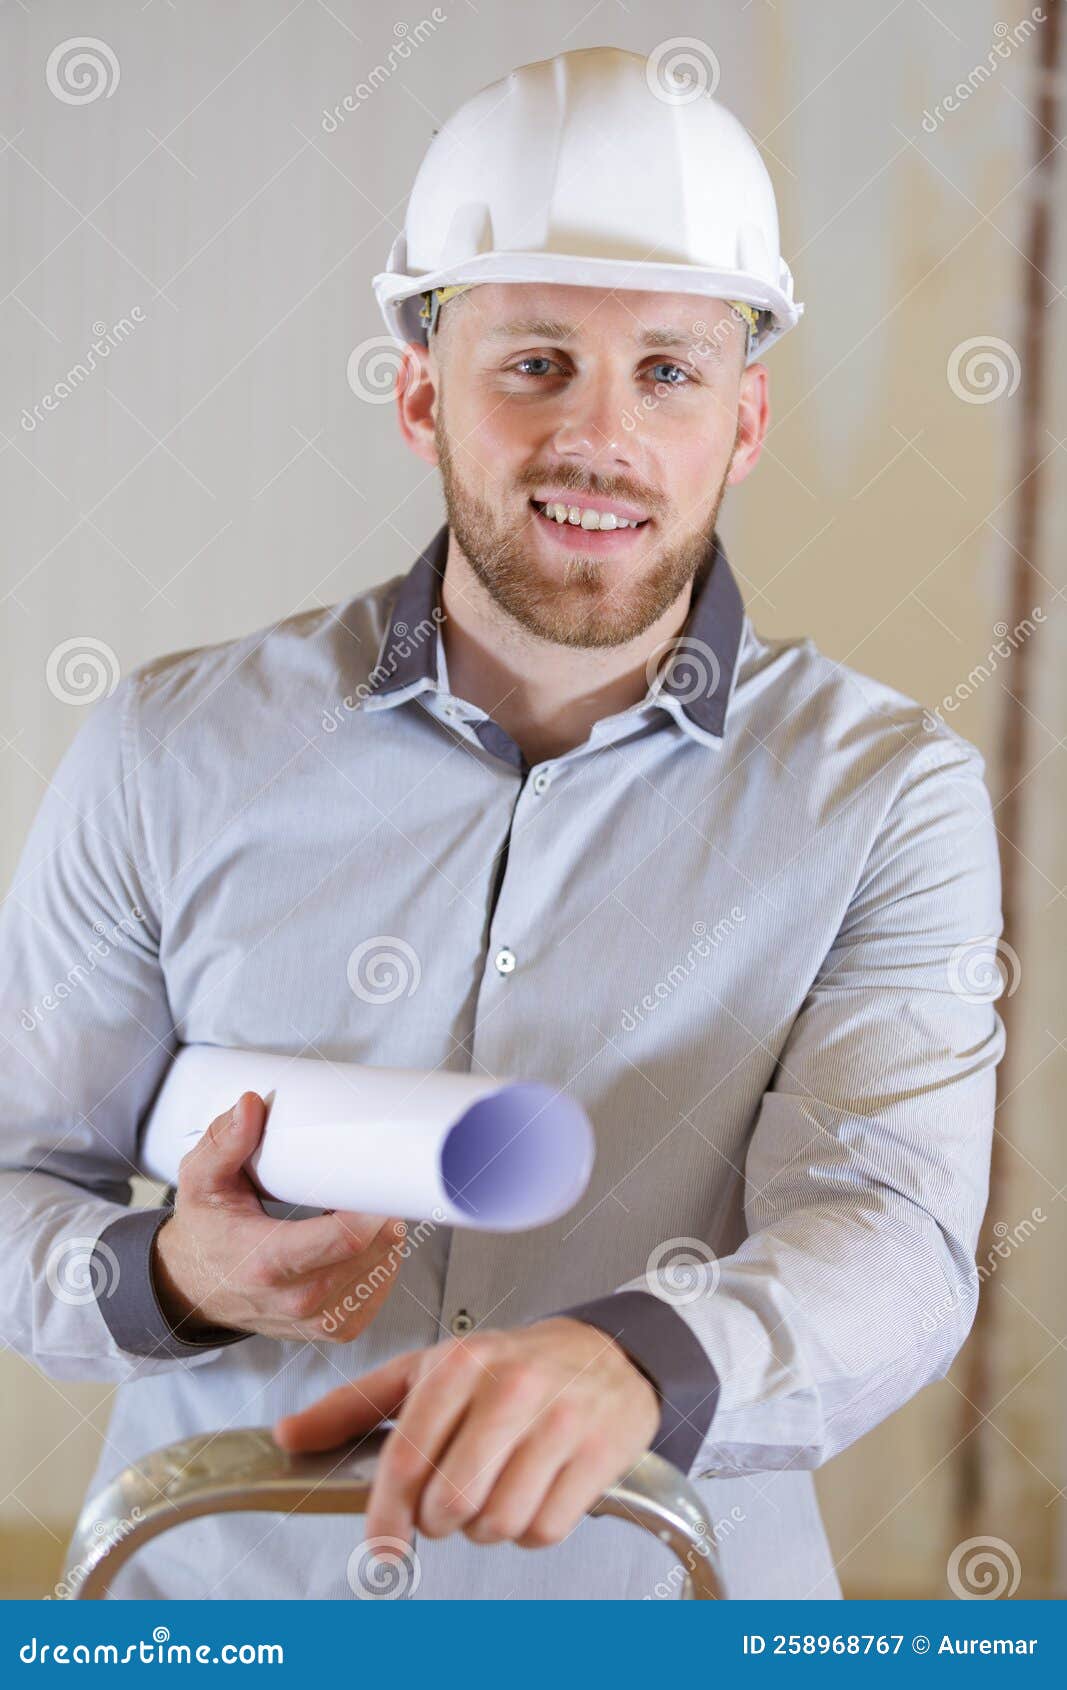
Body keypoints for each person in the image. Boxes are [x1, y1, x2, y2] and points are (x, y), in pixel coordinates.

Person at [0, 46, 1005, 1601]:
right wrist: (169, 1275)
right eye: (535, 362)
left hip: (657, 1619)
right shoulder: (168, 749)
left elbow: (893, 1236)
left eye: (667, 371)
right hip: (222, 1608)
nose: (598, 436)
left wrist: (645, 1359)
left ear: (743, 422)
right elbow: (19, 1171)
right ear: (422, 393)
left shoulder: (886, 797)